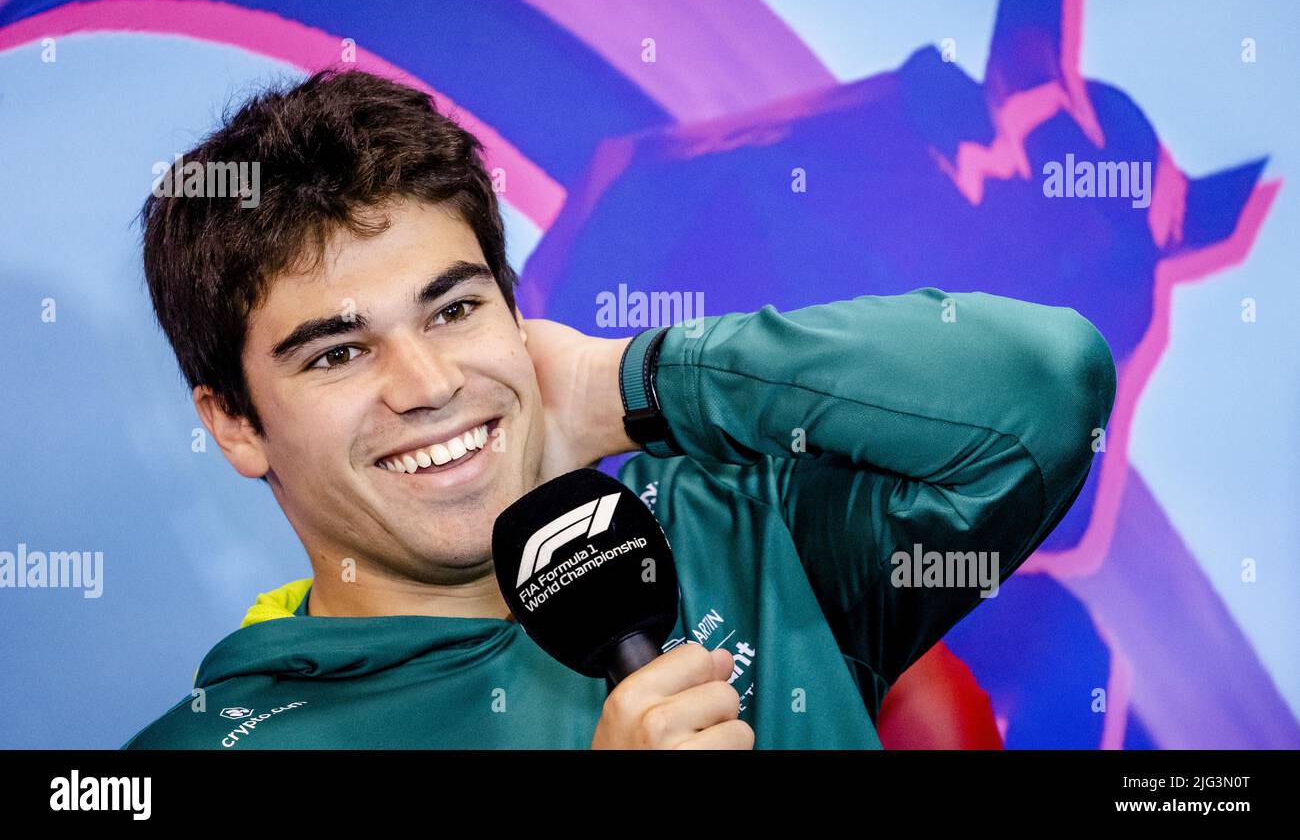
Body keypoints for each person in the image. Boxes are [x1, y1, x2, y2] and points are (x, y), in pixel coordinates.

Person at [122, 68, 1116, 749]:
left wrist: (627, 388)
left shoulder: (736, 532)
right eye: (339, 352)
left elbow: (1042, 384)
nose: (425, 384)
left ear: (517, 318)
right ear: (235, 425)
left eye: (457, 309)